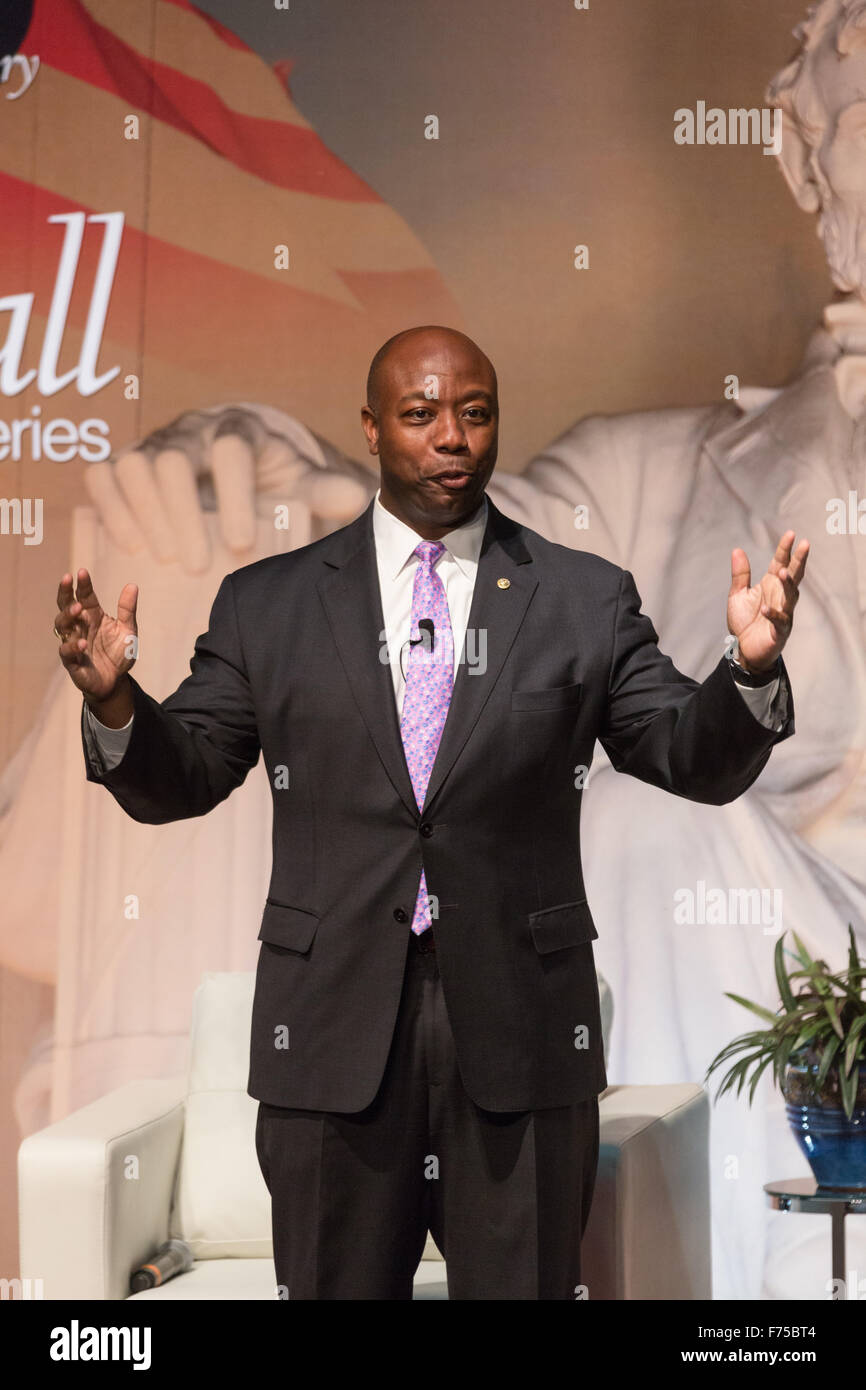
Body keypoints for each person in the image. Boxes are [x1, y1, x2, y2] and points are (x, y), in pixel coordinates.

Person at [54, 326, 807, 1300]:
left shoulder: (581, 598)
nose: (450, 436)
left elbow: (682, 754)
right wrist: (118, 703)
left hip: (521, 1036)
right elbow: (184, 775)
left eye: (474, 412)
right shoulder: (267, 605)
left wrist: (744, 672)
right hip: (327, 1038)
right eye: (419, 414)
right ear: (370, 428)